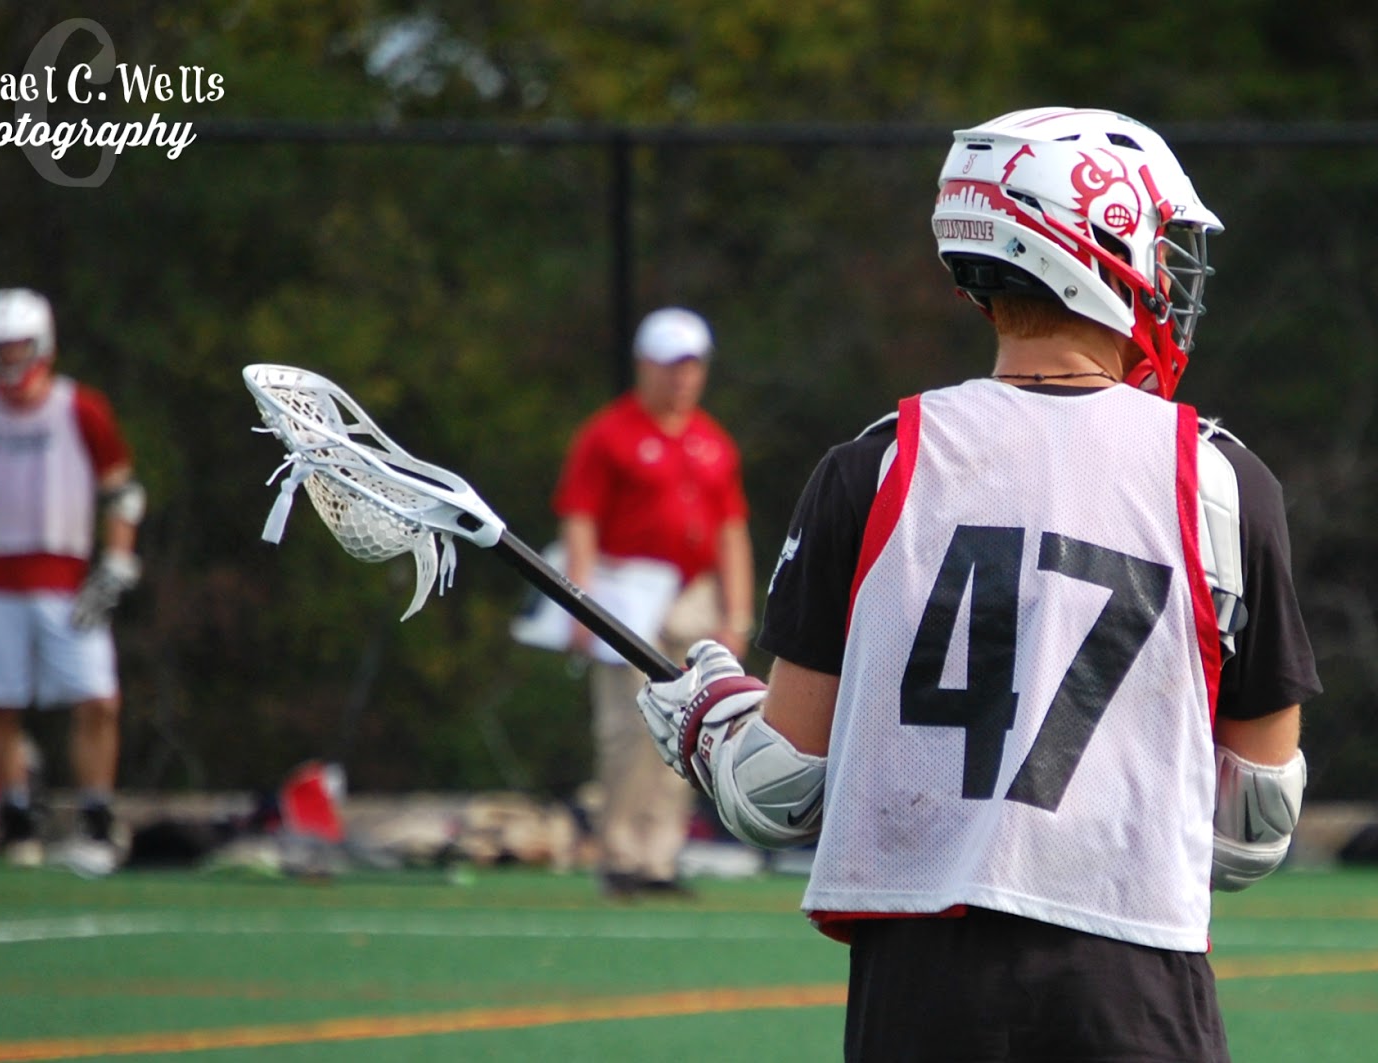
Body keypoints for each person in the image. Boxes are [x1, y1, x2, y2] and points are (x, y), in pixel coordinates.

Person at [638, 107, 1321, 1061]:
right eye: (1163, 248)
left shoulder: (875, 465)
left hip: (919, 986)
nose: (1173, 278)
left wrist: (714, 722)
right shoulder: (1221, 479)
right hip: (1132, 984)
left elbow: (780, 788)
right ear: (1103, 241)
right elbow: (1252, 829)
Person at [0, 288, 145, 875]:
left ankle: (96, 815)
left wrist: (117, 562)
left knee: (99, 699)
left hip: (66, 579)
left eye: (17, 347)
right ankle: (17, 816)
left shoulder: (81, 409)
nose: (8, 361)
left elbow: (122, 489)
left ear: (43, 345)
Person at [552, 306, 755, 899]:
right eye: (671, 366)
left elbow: (730, 533)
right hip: (627, 596)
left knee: (690, 727)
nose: (682, 379)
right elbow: (581, 518)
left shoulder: (711, 442)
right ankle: (620, 854)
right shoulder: (609, 434)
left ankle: (661, 856)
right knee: (627, 729)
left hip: (691, 597)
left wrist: (735, 614)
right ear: (644, 366)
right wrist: (579, 601)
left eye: (692, 366)